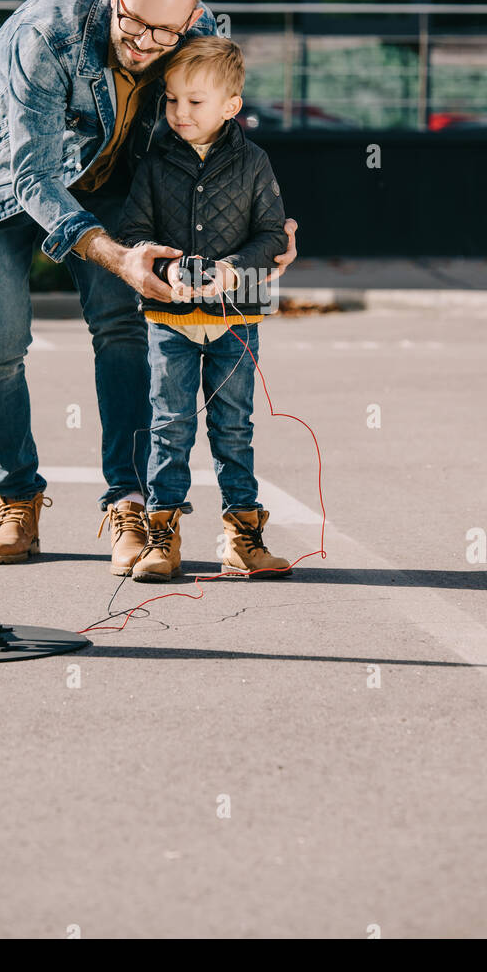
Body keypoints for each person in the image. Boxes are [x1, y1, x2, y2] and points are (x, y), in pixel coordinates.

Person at [0, 0, 298, 570]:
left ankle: (127, 502)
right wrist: (119, 255)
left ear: (192, 18)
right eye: (131, 21)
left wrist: (259, 240)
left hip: (106, 180)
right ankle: (16, 497)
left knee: (124, 326)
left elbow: (212, 138)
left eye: (164, 30)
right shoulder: (51, 32)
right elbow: (34, 180)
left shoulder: (194, 35)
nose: (143, 43)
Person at [117, 35, 293, 583]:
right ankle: (161, 539)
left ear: (230, 107)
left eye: (194, 102)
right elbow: (134, 233)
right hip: (169, 319)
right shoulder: (151, 163)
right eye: (171, 100)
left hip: (237, 319)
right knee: (169, 427)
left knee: (234, 428)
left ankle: (243, 538)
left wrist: (235, 267)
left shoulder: (255, 162)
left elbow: (272, 235)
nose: (180, 112)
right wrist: (167, 272)